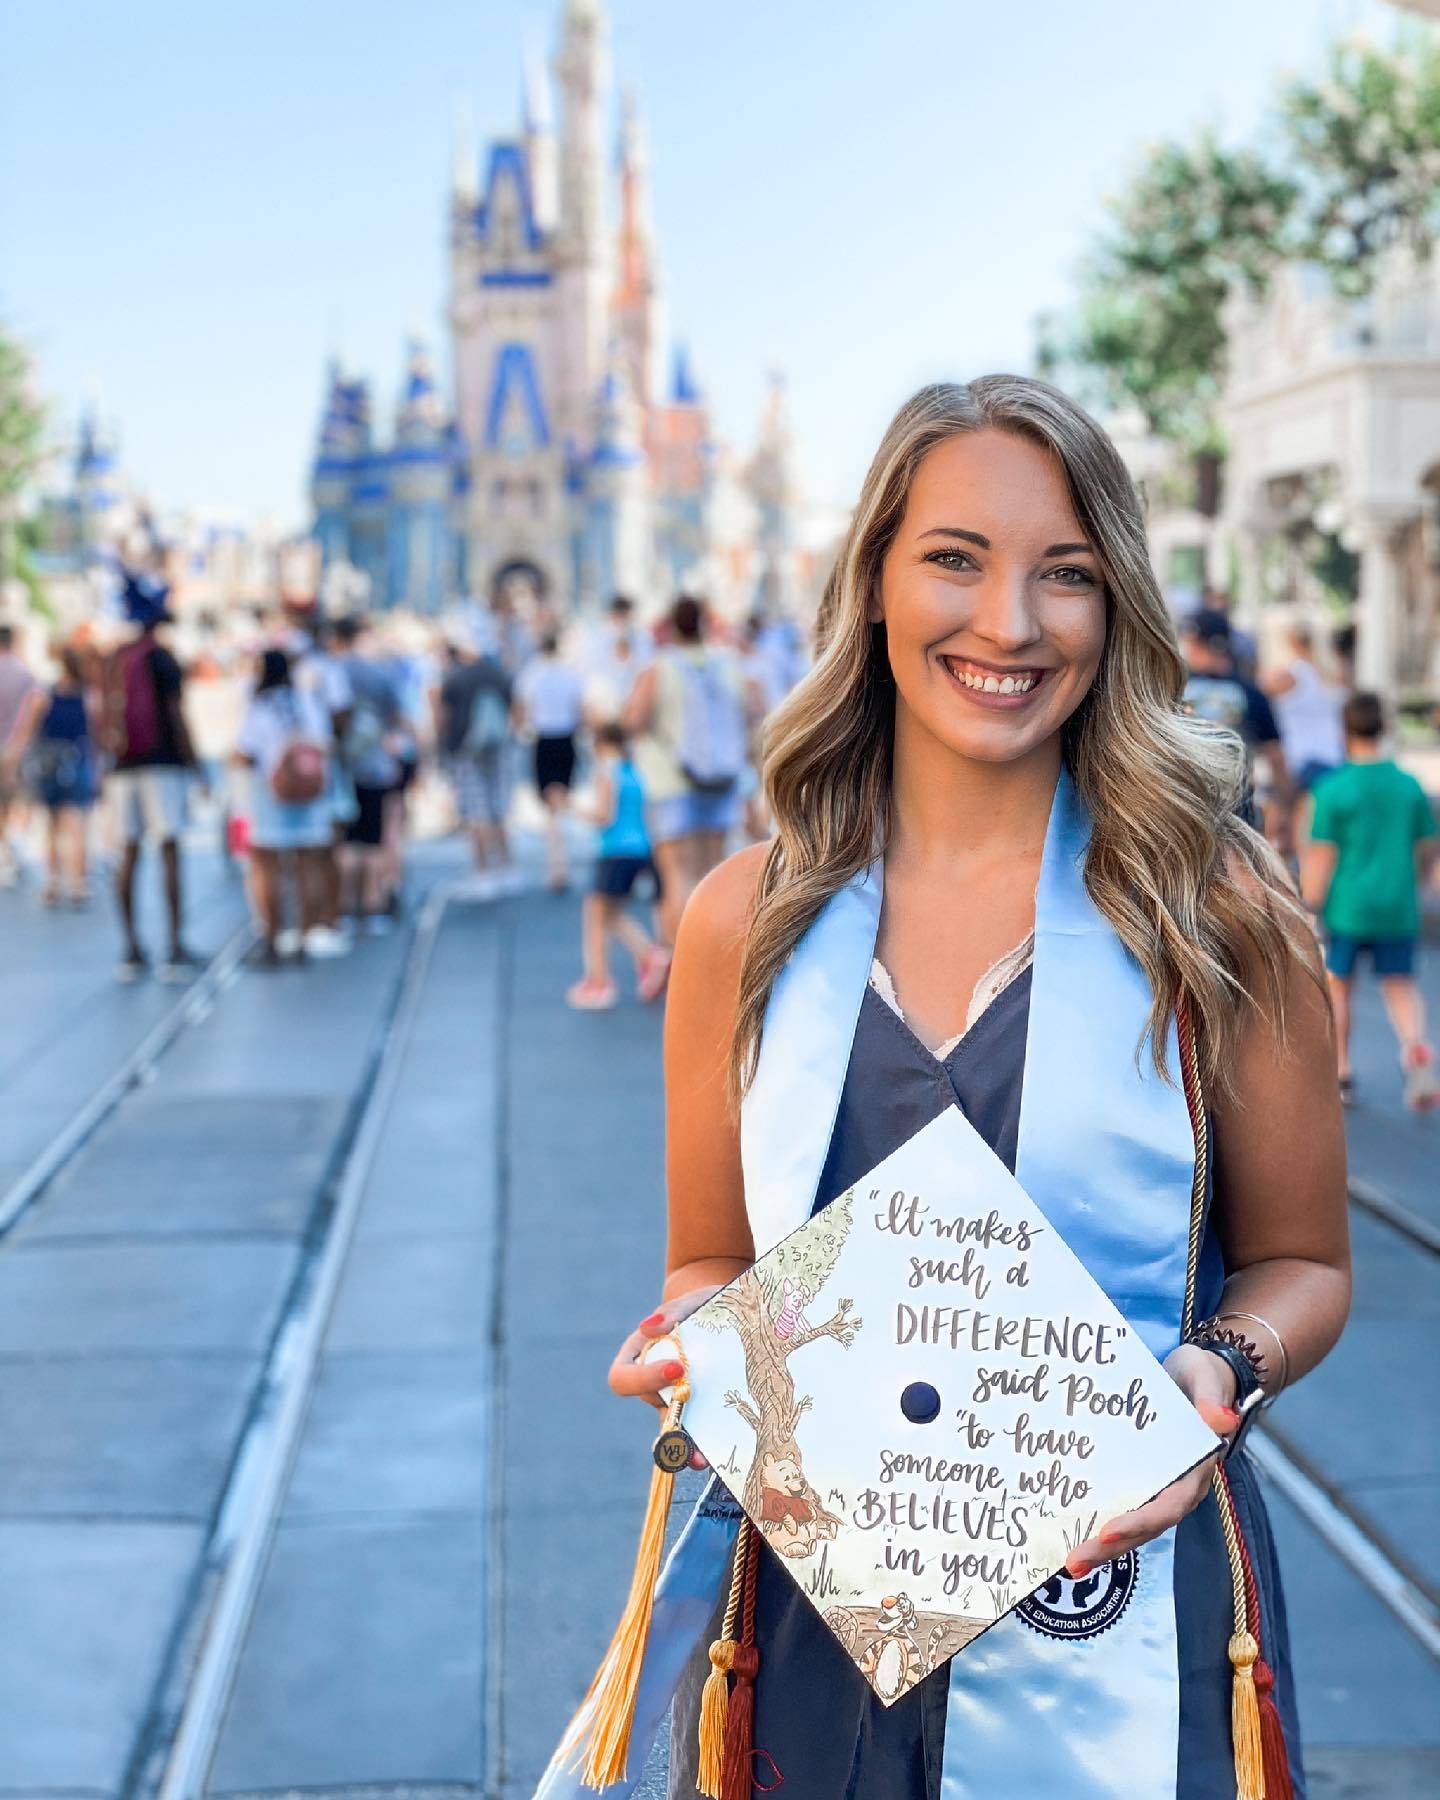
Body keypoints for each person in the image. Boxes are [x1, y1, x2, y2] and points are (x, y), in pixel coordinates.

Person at [566, 378, 1349, 1800]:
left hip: (1125, 1589)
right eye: (953, 558)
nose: (1009, 624)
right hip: (812, 1608)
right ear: (871, 579)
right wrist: (695, 1338)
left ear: (1114, 610)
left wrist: (1211, 1377)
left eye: (1068, 575)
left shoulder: (1214, 910)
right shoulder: (749, 921)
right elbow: (714, 1262)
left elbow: (1301, 1262)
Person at [1302, 690, 1439, 1110]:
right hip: (1396, 903)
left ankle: (1342, 1071)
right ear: (1384, 727)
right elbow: (1427, 846)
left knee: (1339, 985)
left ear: (1344, 729)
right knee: (1400, 983)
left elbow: (1322, 854)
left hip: (1348, 906)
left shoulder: (1333, 788)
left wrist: (1309, 904)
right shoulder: (1408, 785)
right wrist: (1412, 878)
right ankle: (1415, 1048)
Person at [624, 594, 750, 943]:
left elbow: (634, 719)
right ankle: (716, 957)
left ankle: (683, 966)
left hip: (671, 782)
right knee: (714, 873)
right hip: (723, 777)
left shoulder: (660, 668)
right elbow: (752, 712)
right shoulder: (727, 664)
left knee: (677, 875)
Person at [101, 571, 200, 982]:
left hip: (123, 766)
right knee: (169, 849)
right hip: (162, 765)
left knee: (128, 853)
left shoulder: (113, 659)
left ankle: (131, 946)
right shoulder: (161, 659)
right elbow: (176, 716)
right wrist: (194, 762)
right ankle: (174, 945)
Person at [234, 648, 336, 965]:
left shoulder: (260, 705)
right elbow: (326, 742)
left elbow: (246, 751)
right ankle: (305, 937)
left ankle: (273, 937)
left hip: (271, 793)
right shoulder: (307, 702)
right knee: (309, 863)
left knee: (268, 866)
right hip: (312, 793)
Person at [566, 721, 670, 1009]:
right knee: (610, 914)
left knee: (595, 916)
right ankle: (651, 956)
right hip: (640, 850)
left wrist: (570, 806)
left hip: (615, 850)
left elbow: (604, 815)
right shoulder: (633, 772)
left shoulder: (607, 772)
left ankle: (599, 983)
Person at [1180, 608, 1291, 845]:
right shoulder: (1250, 692)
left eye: (1192, 641)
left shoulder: (1174, 688)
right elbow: (1275, 754)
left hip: (1184, 811)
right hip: (1238, 816)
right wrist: (1286, 801)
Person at [4, 643, 98, 905]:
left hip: (49, 764)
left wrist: (12, 762)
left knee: (53, 825)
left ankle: (54, 882)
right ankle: (79, 883)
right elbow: (95, 735)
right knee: (76, 823)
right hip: (76, 762)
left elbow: (24, 731)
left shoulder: (43, 695)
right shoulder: (87, 696)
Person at [330, 615, 405, 932]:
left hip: (340, 769)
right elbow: (397, 717)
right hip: (375, 767)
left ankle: (346, 907)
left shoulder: (331, 671)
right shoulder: (377, 672)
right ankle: (373, 906)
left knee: (347, 840)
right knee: (374, 839)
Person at [435, 633, 517, 896]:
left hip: (466, 749)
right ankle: (505, 866)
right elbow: (517, 709)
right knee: (498, 810)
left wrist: (442, 747)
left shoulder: (456, 678)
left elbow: (442, 716)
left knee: (476, 812)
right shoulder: (498, 675)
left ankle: (482, 869)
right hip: (498, 747)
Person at [515, 632, 584, 891]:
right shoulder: (568, 674)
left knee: (550, 804)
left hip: (544, 739)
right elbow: (579, 708)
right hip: (565, 738)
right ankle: (559, 861)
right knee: (560, 800)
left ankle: (557, 863)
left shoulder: (532, 673)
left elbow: (523, 708)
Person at [1264, 622, 1346, 794]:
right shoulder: (1334, 676)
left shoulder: (1287, 676)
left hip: (1300, 762)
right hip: (1335, 760)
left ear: (1292, 642)